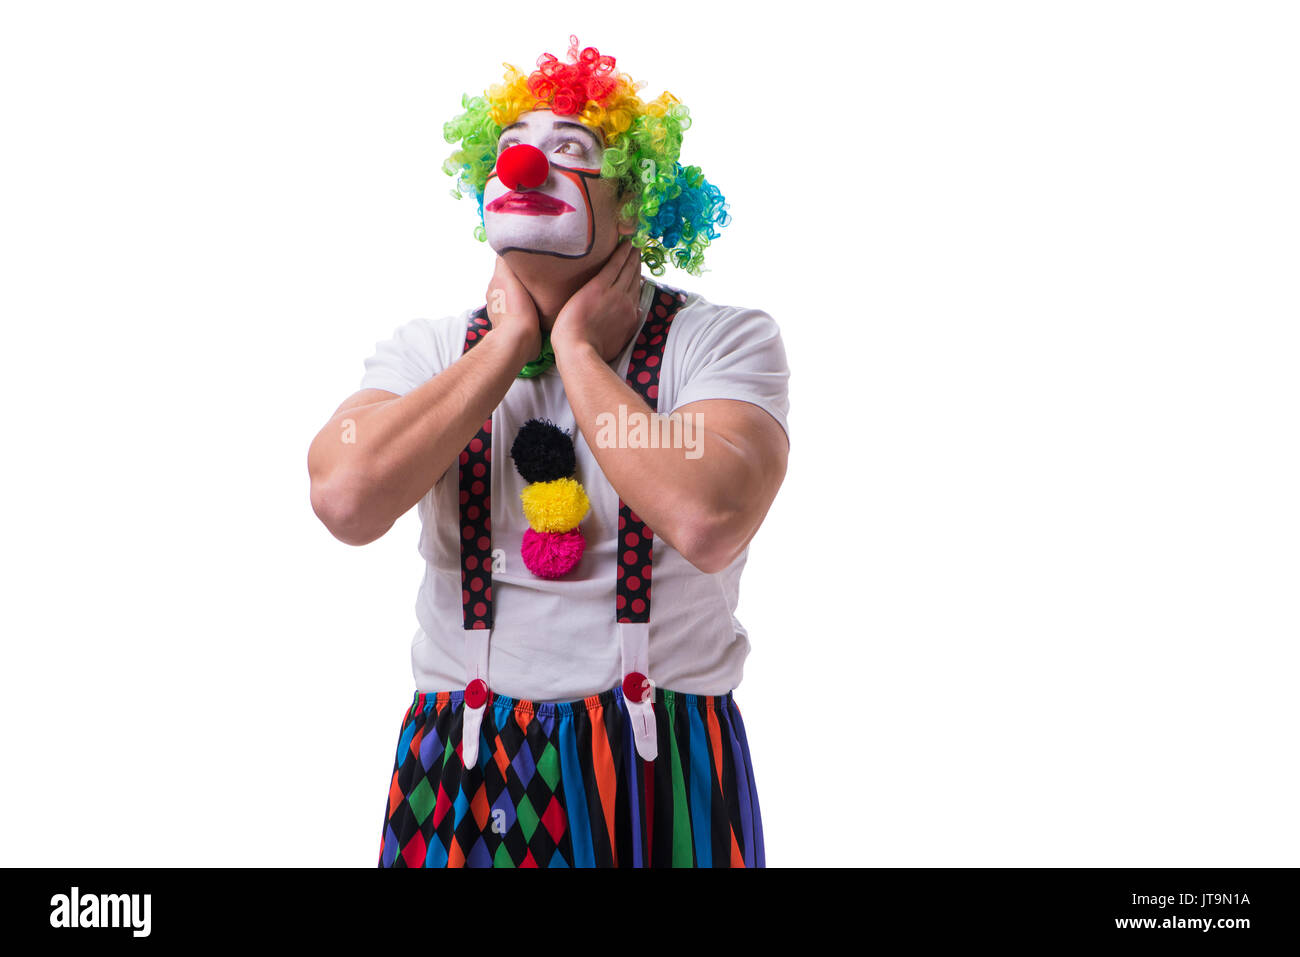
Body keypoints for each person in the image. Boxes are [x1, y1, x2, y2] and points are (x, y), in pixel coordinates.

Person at [307, 35, 790, 868]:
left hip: (661, 758)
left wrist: (576, 353)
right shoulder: (430, 351)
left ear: (636, 203)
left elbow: (708, 516)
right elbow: (346, 495)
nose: (529, 166)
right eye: (512, 150)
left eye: (573, 150)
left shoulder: (721, 343)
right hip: (462, 753)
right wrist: (506, 347)